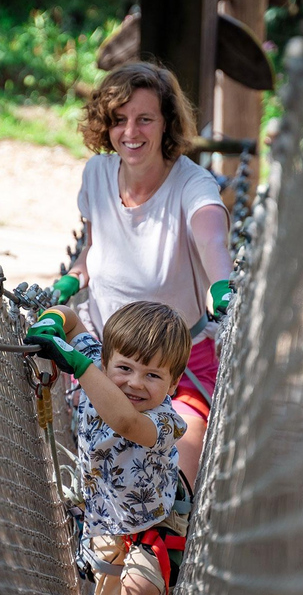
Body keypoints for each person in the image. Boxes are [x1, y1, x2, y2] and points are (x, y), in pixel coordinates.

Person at [53, 61, 233, 488]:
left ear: (167, 124)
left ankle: (162, 548)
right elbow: (93, 249)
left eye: (144, 119)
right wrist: (72, 278)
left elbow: (211, 237)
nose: (130, 132)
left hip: (176, 365)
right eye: (119, 120)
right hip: (103, 358)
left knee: (174, 490)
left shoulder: (191, 184)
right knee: (98, 480)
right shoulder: (98, 174)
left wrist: (224, 283)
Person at [26, 301, 192, 595]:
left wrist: (82, 367)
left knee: (140, 589)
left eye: (153, 375)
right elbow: (70, 314)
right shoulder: (95, 367)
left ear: (173, 385)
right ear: (107, 359)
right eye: (125, 369)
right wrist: (52, 320)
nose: (135, 383)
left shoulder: (166, 421)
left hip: (156, 523)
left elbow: (124, 423)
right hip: (102, 524)